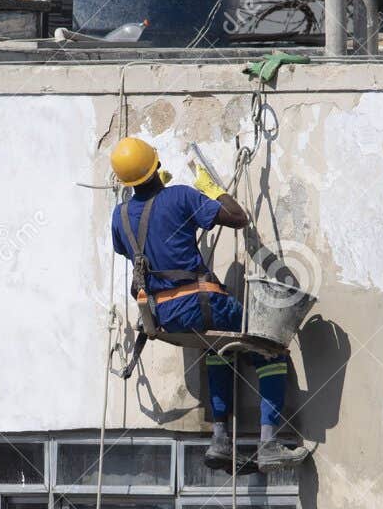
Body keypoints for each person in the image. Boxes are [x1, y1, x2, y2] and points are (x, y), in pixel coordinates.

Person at [108, 136, 310, 472]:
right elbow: (238, 217)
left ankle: (220, 439)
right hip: (201, 305)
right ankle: (269, 443)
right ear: (157, 166)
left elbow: (137, 247)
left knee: (219, 350)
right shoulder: (181, 196)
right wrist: (213, 189)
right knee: (270, 349)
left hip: (161, 316)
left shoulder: (120, 216)